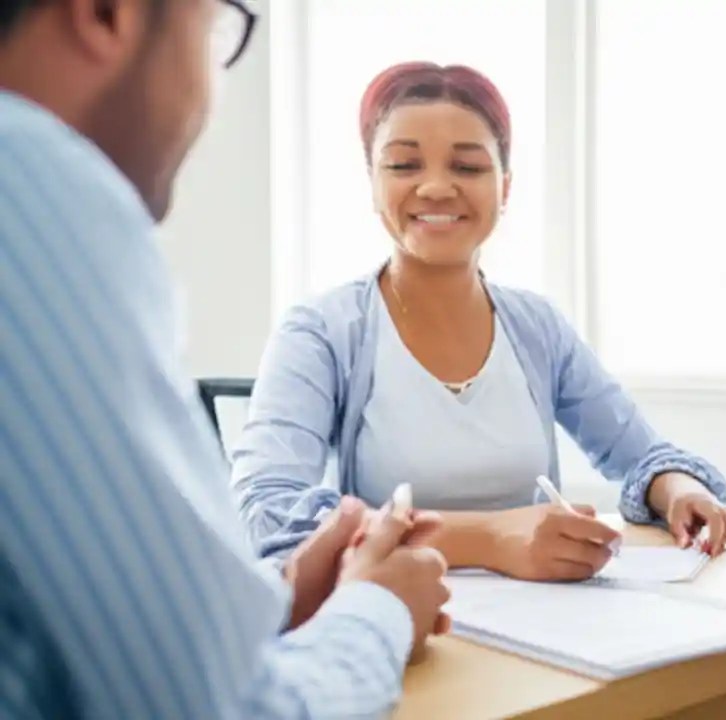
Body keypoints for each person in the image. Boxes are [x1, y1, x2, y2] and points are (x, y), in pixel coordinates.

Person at [0, 1, 451, 718]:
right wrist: (378, 607)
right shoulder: (33, 180)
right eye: (212, 27)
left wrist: (267, 609)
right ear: (105, 13)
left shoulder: (534, 321)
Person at [232, 61, 726, 582]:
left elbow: (642, 454)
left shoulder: (536, 325)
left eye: (469, 168)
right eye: (404, 165)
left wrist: (680, 488)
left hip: (548, 629)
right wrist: (488, 539)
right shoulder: (321, 330)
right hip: (396, 625)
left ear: (506, 188)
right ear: (372, 183)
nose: (434, 187)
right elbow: (267, 511)